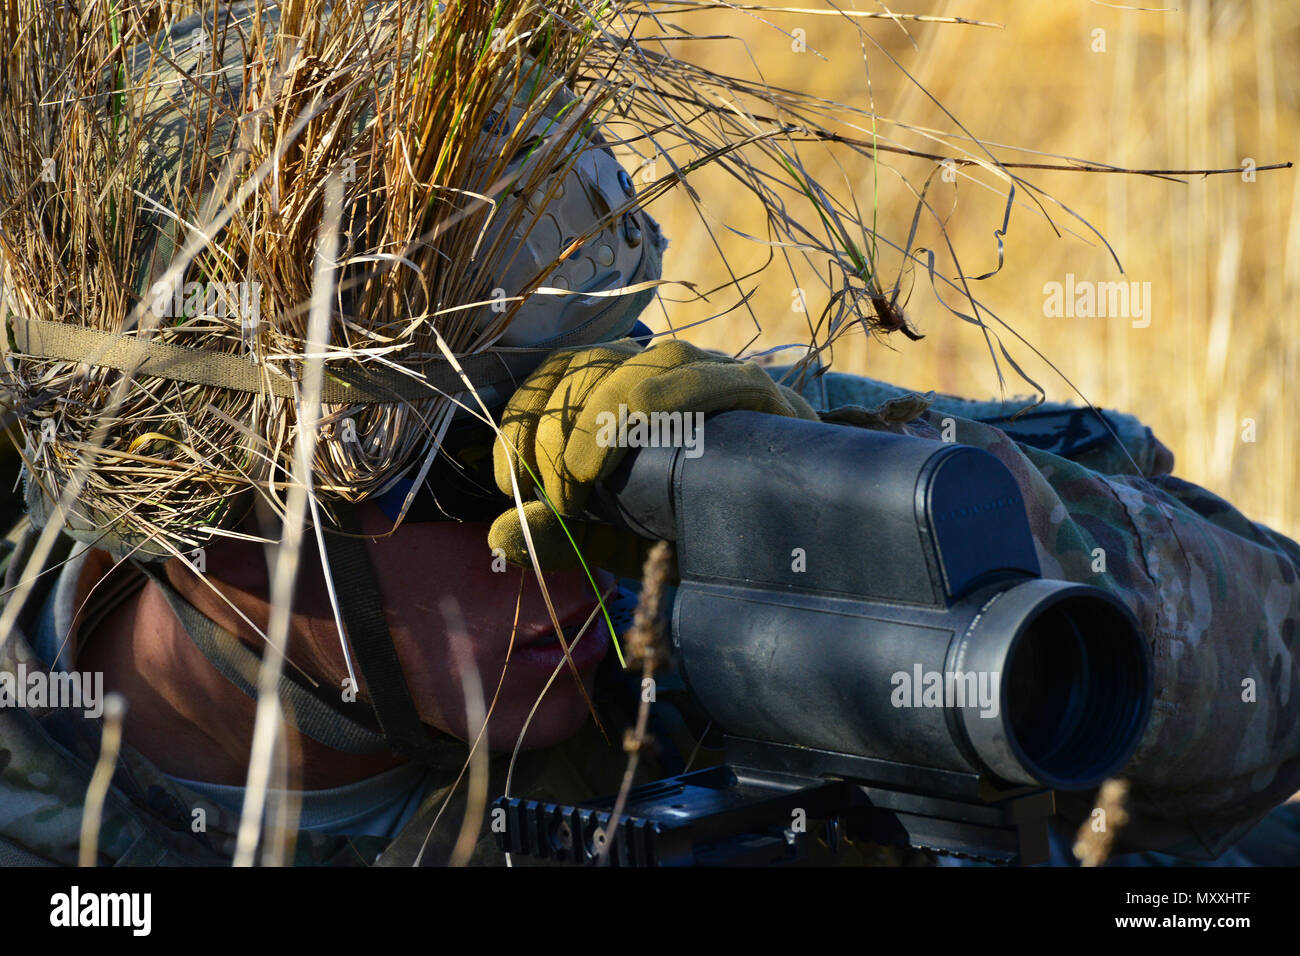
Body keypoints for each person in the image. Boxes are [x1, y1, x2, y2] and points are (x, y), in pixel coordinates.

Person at [0, 1, 1297, 868]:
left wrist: (844, 522)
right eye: (481, 465)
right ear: (210, 505)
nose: (581, 539)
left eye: (580, 427)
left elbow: (1268, 699)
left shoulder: (699, 478)